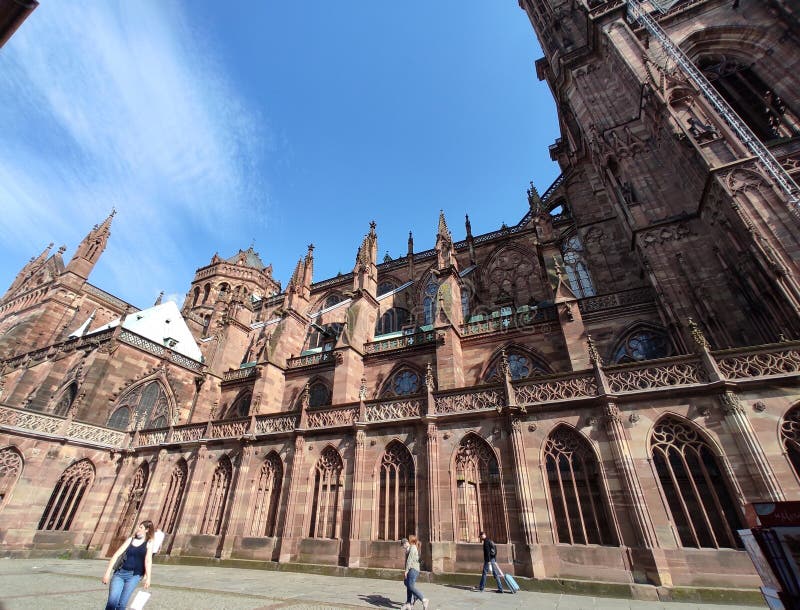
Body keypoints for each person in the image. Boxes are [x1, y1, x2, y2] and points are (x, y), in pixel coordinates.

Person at [102, 520, 155, 610]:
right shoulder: (131, 540)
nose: (138, 528)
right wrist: (107, 573)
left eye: (141, 527)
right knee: (112, 602)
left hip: (134, 576)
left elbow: (148, 561)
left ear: (147, 530)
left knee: (122, 605)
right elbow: (116, 555)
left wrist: (148, 577)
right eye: (139, 526)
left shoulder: (149, 543)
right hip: (119, 573)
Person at [400, 535, 429, 610]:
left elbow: (409, 560)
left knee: (410, 586)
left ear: (405, 543)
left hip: (413, 569)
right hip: (411, 569)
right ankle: (409, 602)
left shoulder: (412, 548)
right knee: (407, 583)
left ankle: (423, 599)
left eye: (403, 545)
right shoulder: (409, 549)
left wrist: (406, 571)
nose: (403, 547)